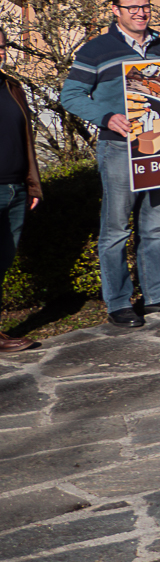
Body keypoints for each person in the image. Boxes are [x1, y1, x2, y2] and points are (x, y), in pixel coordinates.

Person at [62, 0, 160, 327]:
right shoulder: (97, 50)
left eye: (145, 7)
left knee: (157, 223)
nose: (140, 13)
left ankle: (158, 293)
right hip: (118, 148)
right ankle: (119, 302)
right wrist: (107, 117)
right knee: (116, 229)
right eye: (132, 8)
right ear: (116, 10)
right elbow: (71, 96)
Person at [0, 25, 42, 351]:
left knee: (3, 261)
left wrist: (32, 186)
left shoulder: (12, 87)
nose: (1, 52)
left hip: (15, 190)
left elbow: (27, 142)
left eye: (3, 46)